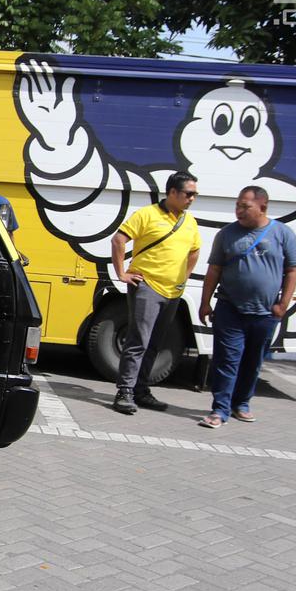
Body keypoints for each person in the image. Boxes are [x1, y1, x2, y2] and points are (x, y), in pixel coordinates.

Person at [197, 186, 296, 428]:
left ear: (263, 207)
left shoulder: (283, 233)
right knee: (226, 361)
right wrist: (205, 302)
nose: (239, 211)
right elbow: (214, 269)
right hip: (229, 309)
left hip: (265, 313)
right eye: (237, 205)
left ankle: (241, 404)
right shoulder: (226, 234)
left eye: (245, 206)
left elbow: (292, 270)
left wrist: (283, 305)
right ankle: (220, 410)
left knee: (253, 363)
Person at [109, 171, 201, 415]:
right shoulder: (147, 215)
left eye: (195, 194)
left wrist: (183, 278)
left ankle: (140, 390)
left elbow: (194, 251)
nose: (192, 198)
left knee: (155, 343)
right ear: (172, 192)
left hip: (173, 292)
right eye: (188, 194)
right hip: (147, 287)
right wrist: (122, 273)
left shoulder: (189, 221)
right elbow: (118, 240)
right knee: (138, 340)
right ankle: (124, 392)